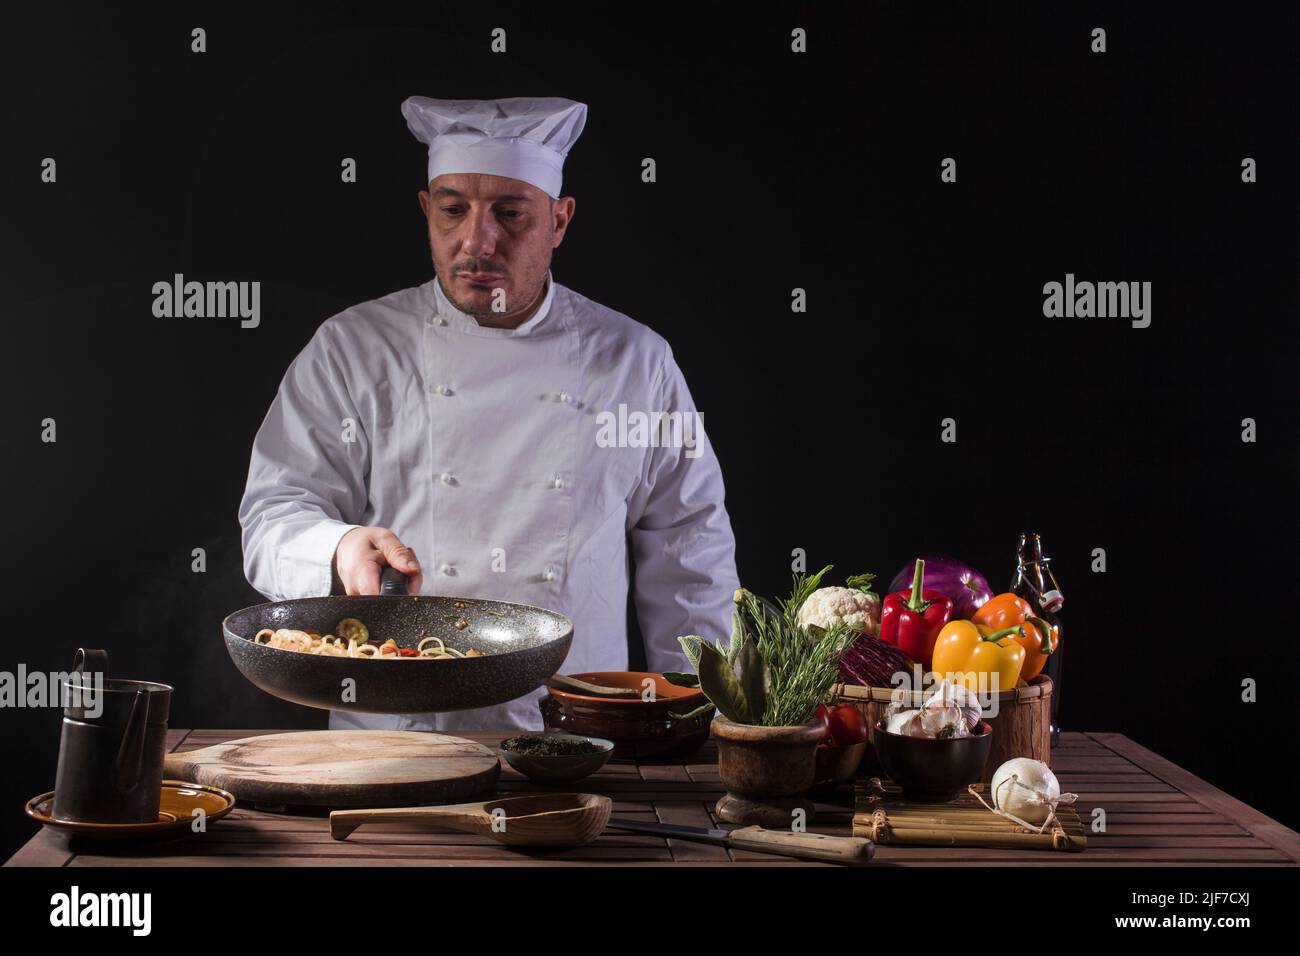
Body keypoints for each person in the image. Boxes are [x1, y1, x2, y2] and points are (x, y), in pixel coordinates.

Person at [237, 95, 740, 731]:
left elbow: (688, 545)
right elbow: (273, 513)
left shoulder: (635, 361)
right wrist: (339, 547)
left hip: (577, 735)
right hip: (393, 738)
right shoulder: (354, 348)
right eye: (453, 210)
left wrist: (698, 717)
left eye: (510, 214)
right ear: (426, 212)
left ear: (559, 221)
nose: (477, 241)